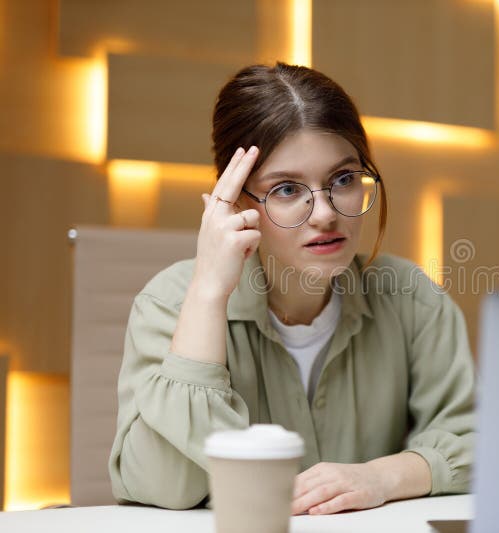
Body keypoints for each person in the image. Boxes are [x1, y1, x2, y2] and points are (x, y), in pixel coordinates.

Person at [108, 63, 476, 514]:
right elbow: (161, 485)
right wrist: (208, 294)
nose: (325, 214)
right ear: (235, 200)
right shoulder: (170, 303)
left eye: (343, 179)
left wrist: (381, 477)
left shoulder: (413, 299)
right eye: (286, 189)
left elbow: (482, 443)